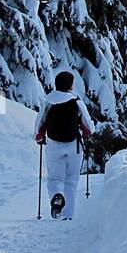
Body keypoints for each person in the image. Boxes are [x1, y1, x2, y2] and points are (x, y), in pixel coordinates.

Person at [34, 72, 94, 220]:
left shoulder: (48, 101)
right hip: (74, 145)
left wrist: (39, 137)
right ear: (71, 85)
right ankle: (67, 214)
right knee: (71, 180)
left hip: (53, 145)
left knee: (54, 178)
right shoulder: (76, 101)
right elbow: (90, 127)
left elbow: (39, 126)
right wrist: (86, 132)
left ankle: (57, 197)